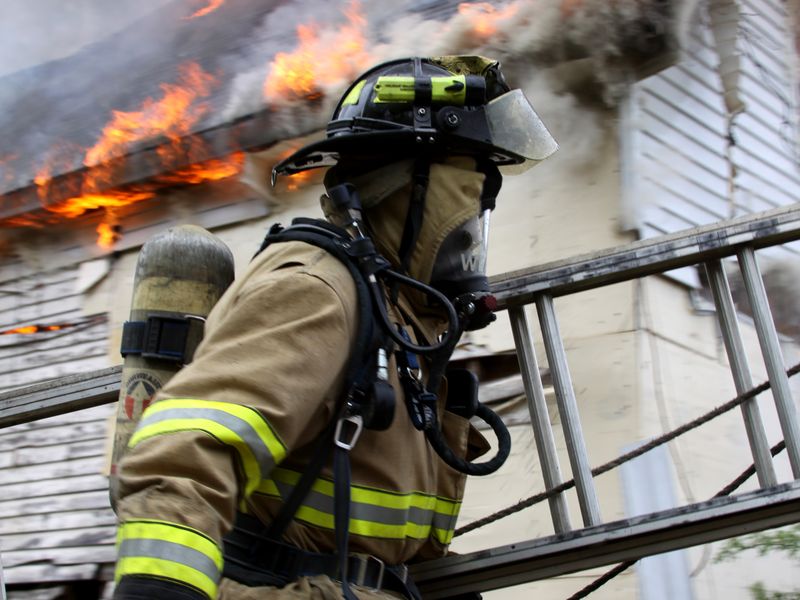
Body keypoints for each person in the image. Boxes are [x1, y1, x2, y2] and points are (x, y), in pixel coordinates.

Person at [112, 55, 557, 600]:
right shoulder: (318, 289)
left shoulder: (398, 320)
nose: (471, 230)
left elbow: (377, 522)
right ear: (406, 187)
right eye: (466, 194)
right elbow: (186, 450)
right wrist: (160, 591)